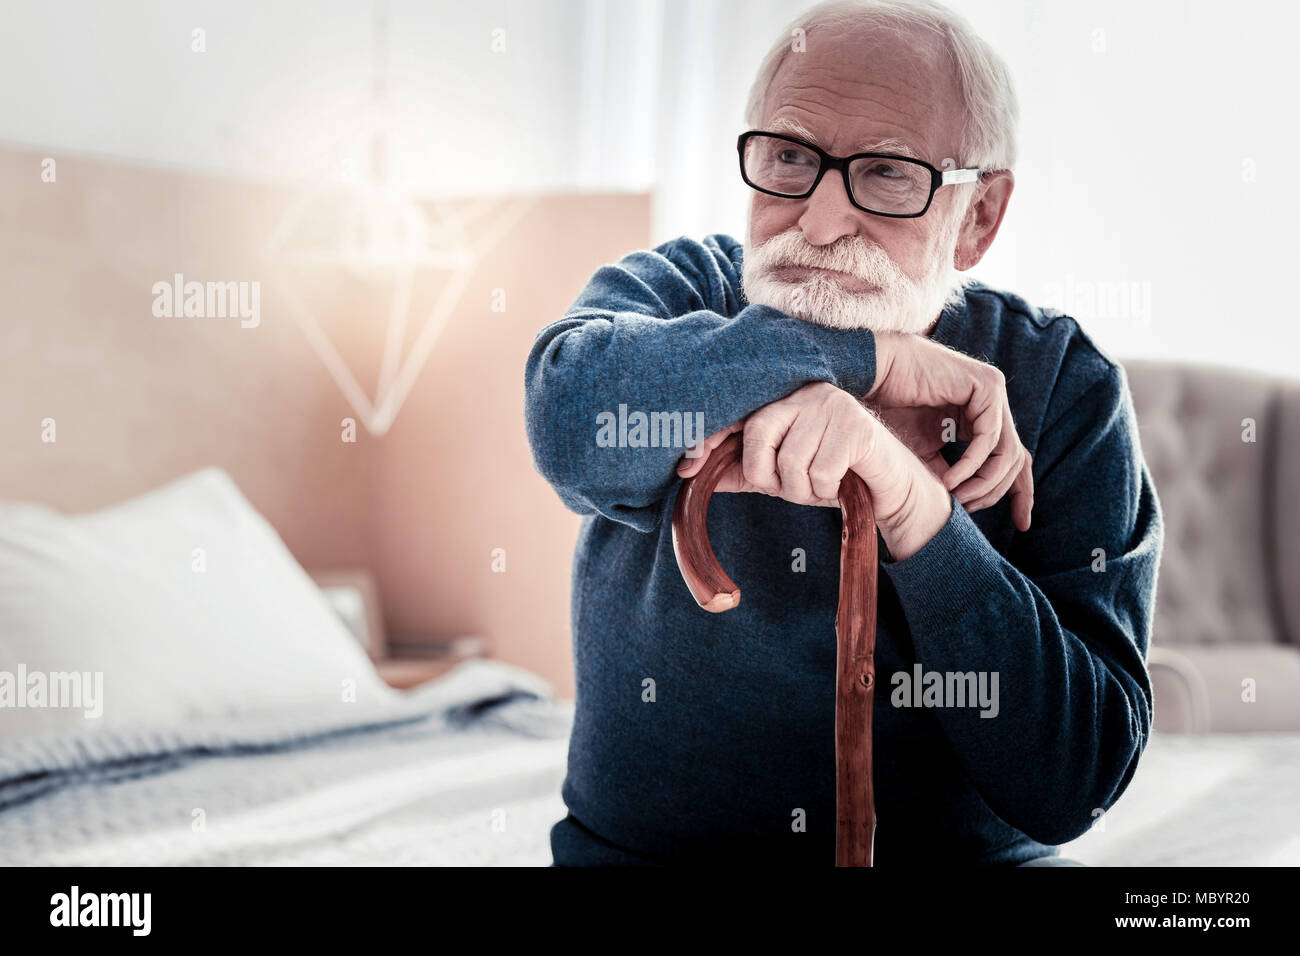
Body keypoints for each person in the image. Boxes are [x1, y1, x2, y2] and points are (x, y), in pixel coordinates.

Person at [525, 0, 1163, 866]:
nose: (819, 224)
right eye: (789, 157)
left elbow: (1079, 773)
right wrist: (871, 359)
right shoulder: (676, 294)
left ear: (979, 218)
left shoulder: (1061, 382)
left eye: (887, 173)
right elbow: (570, 424)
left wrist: (911, 503)